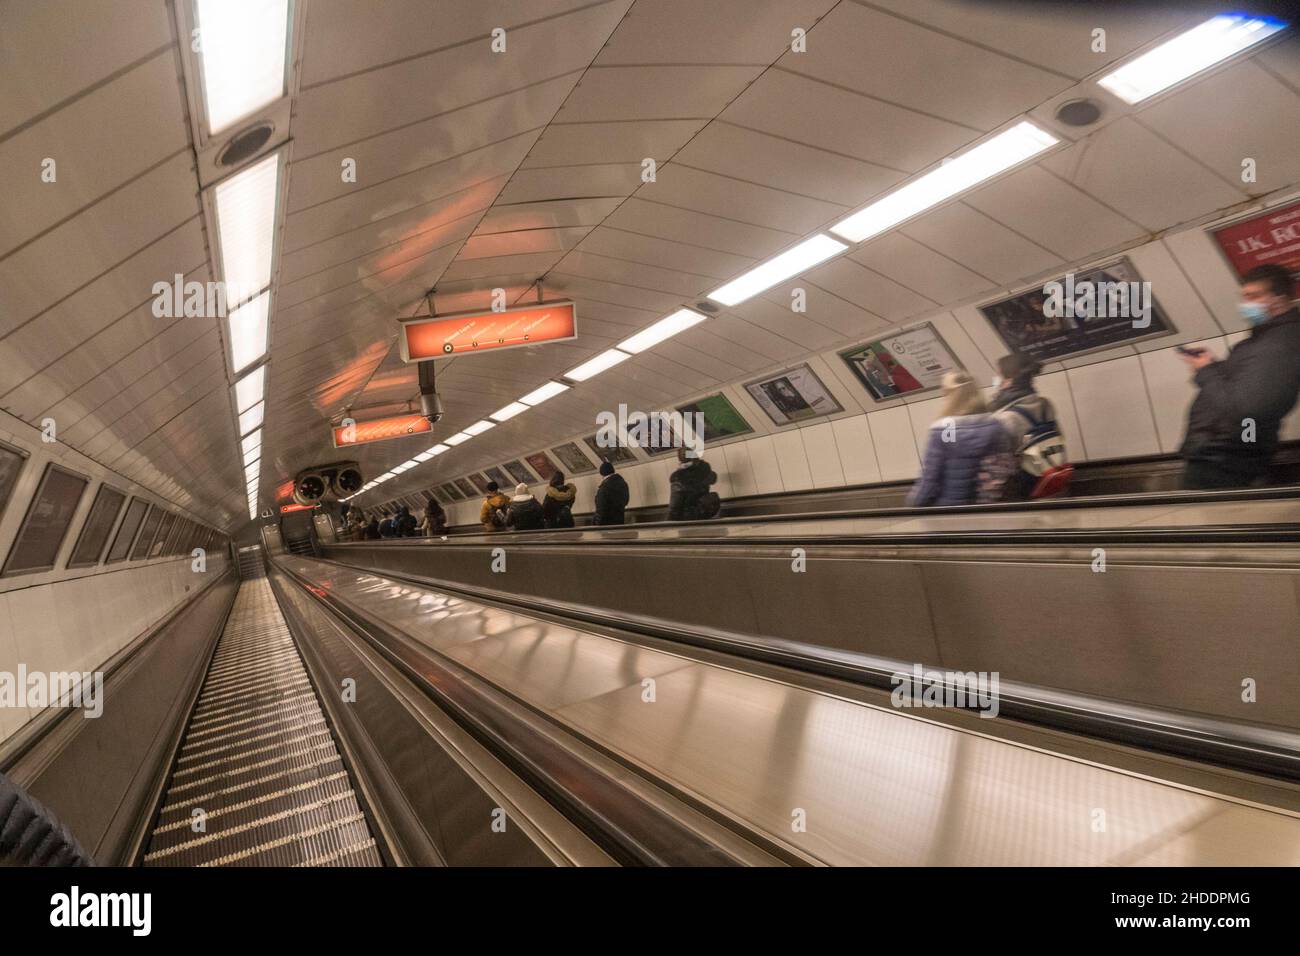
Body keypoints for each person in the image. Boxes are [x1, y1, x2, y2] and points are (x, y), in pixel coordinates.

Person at [1179, 263, 1300, 489]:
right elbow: (1247, 391)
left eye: (1253, 296)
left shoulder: (1278, 344)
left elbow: (1248, 410)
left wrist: (1206, 370)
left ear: (1279, 299)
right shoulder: (1265, 341)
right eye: (1243, 297)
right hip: (1226, 457)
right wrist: (1213, 367)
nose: (1245, 304)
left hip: (1225, 462)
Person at [908, 371, 1016, 507]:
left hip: (951, 509)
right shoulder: (995, 425)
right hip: (989, 506)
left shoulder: (947, 428)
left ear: (949, 395)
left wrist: (914, 503)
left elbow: (930, 478)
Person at [989, 353, 1070, 499]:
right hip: (1052, 477)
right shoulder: (1045, 404)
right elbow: (1060, 436)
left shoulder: (1004, 418)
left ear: (1008, 380)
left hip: (1027, 491)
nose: (996, 380)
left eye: (998, 375)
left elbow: (1001, 465)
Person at [668, 446, 719, 520]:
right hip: (705, 512)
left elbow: (674, 506)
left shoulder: (678, 477)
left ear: (680, 460)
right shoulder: (704, 469)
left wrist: (668, 523)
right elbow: (713, 479)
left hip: (688, 518)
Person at [593, 460, 630, 526]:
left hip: (606, 524)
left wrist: (596, 525)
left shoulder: (604, 488)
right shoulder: (623, 484)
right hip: (620, 520)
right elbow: (626, 501)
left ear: (602, 473)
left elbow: (601, 508)